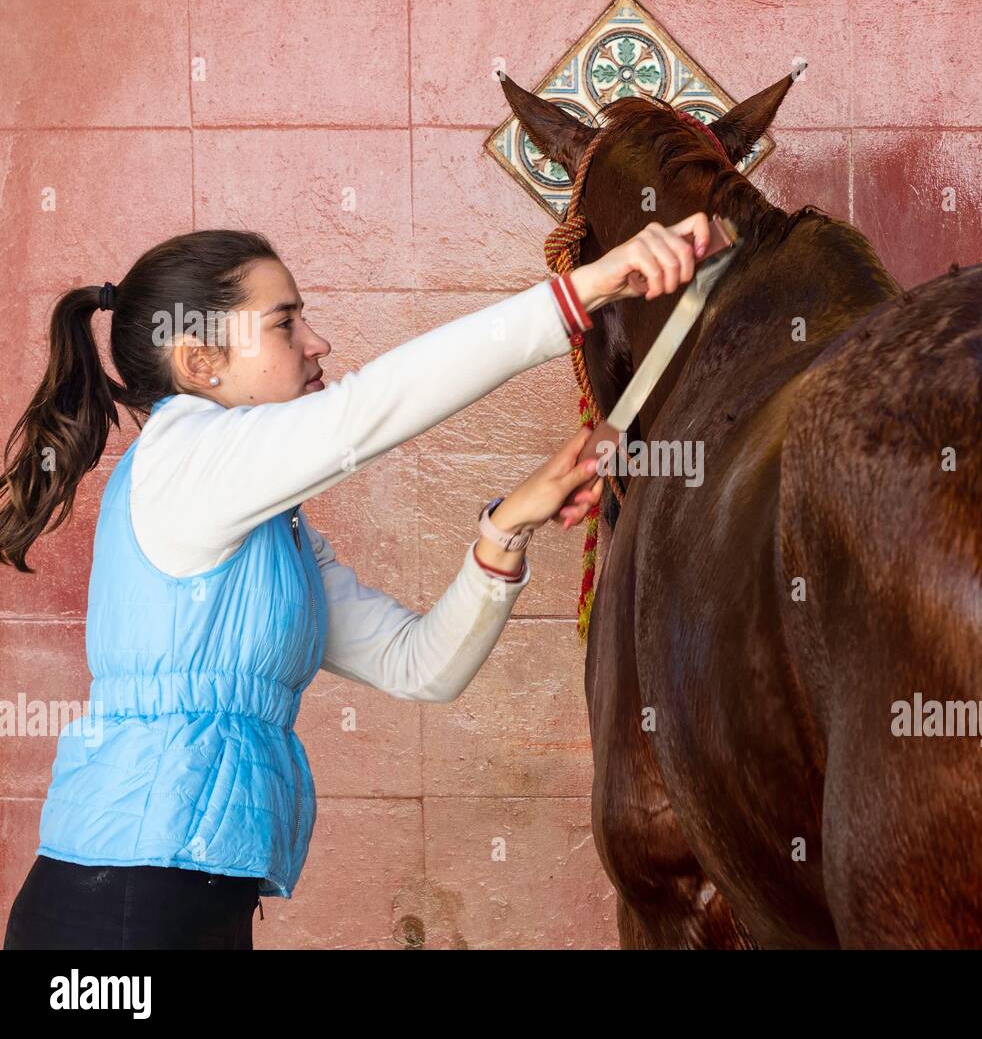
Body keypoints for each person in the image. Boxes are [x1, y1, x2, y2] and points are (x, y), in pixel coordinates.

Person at [0, 212, 712, 949]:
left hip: (190, 899)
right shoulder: (182, 458)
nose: (318, 344)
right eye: (285, 324)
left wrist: (507, 529)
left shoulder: (271, 536)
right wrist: (586, 290)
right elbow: (361, 416)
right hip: (117, 908)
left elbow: (421, 666)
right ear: (199, 362)